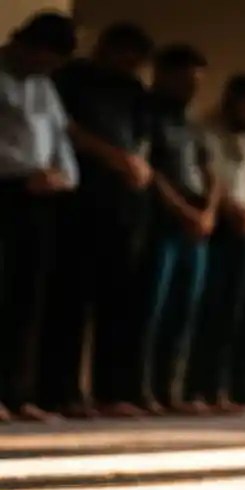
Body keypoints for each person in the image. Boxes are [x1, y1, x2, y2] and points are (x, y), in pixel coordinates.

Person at [43, 22, 153, 419]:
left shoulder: (134, 90)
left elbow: (143, 137)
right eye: (124, 59)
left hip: (124, 207)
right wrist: (112, 156)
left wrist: (138, 164)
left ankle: (114, 391)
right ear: (105, 49)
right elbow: (64, 128)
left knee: (120, 302)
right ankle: (61, 390)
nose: (129, 68)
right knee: (70, 300)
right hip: (81, 201)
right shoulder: (70, 79)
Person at [0, 12, 79, 423]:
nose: (47, 69)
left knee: (28, 298)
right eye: (45, 59)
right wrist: (23, 172)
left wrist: (64, 175)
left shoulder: (45, 87)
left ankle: (18, 393)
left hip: (43, 196)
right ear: (28, 46)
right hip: (7, 191)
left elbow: (59, 137)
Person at [138, 44, 220, 414]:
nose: (192, 89)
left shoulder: (193, 122)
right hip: (163, 222)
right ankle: (142, 390)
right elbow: (152, 171)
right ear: (163, 75)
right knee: (151, 307)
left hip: (197, 225)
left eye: (197, 83)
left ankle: (172, 389)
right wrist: (184, 211)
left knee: (185, 309)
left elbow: (211, 171)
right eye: (186, 80)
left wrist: (209, 212)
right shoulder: (147, 113)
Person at [189, 74, 245, 412]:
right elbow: (214, 178)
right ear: (232, 100)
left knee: (235, 313)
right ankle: (196, 388)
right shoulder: (206, 130)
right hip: (219, 228)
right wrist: (233, 211)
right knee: (209, 309)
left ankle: (221, 390)